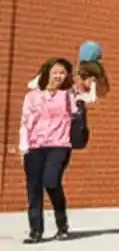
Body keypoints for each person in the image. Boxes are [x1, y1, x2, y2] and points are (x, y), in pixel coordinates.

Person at [19, 59, 80, 244]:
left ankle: (62, 224)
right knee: (34, 188)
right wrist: (24, 147)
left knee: (51, 182)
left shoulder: (69, 96)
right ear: (47, 73)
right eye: (55, 72)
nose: (58, 76)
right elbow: (25, 123)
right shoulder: (32, 97)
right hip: (35, 146)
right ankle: (35, 231)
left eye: (62, 73)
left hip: (59, 146)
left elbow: (89, 97)